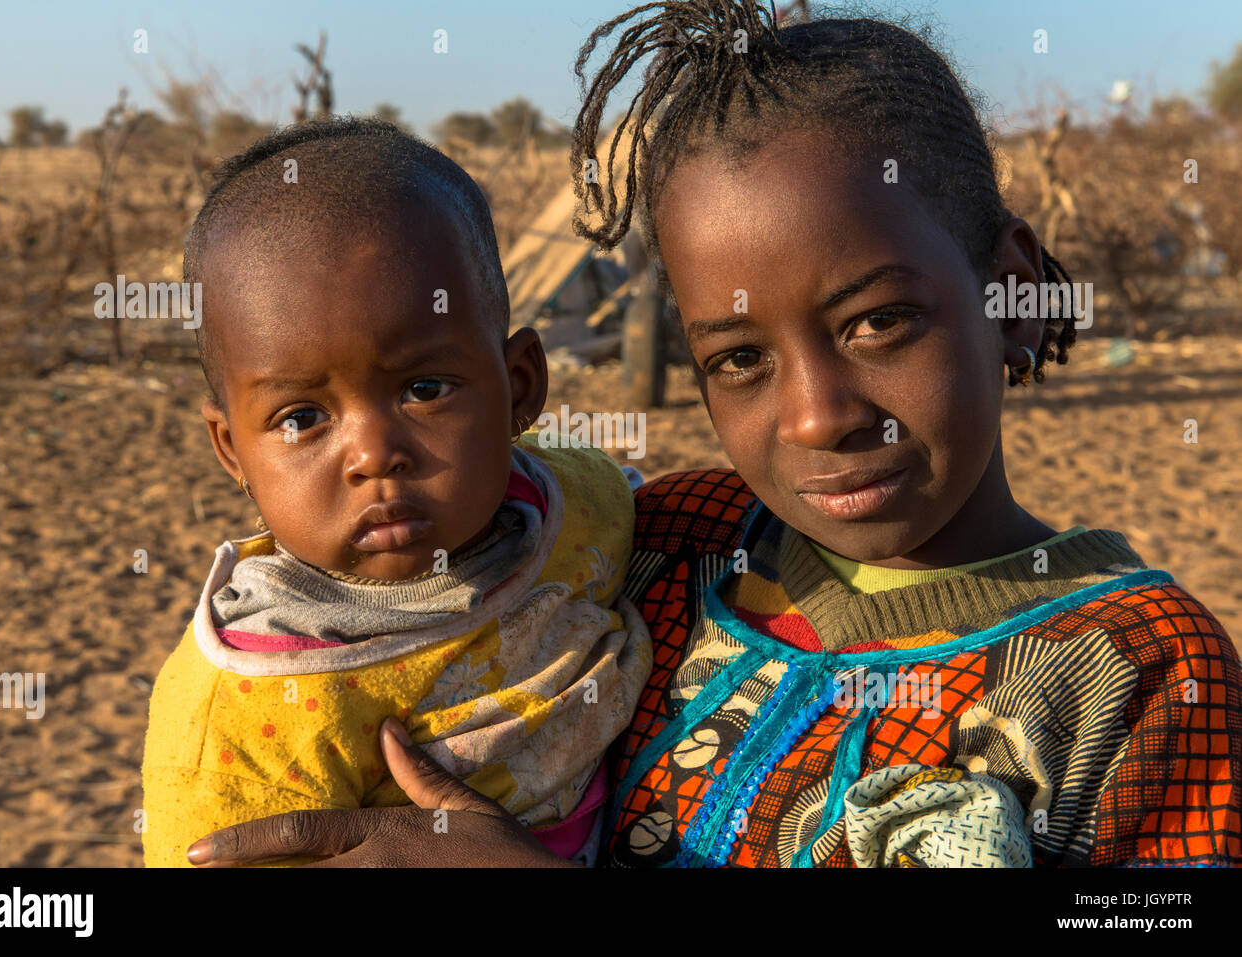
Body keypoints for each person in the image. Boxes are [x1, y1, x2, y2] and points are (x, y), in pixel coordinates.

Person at [183, 3, 1242, 868]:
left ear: (1008, 293)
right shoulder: (654, 547)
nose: (819, 414)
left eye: (878, 322)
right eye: (738, 358)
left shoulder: (1137, 673)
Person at [140, 117, 651, 867]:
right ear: (231, 450)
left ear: (519, 389)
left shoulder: (580, 506)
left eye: (424, 387)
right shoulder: (244, 711)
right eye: (302, 417)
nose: (375, 454)